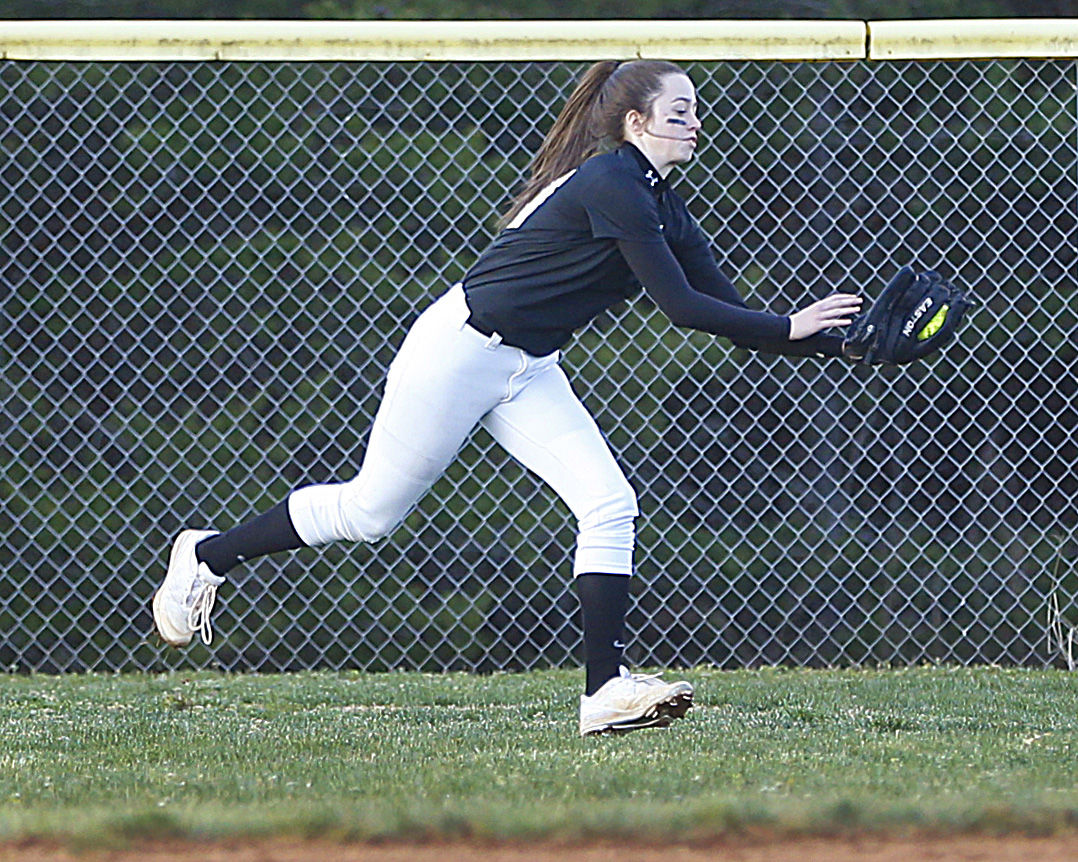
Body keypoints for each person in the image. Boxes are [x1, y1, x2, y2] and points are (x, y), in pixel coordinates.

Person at [153, 59, 862, 737]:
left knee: (609, 503)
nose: (696, 124)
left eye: (697, 112)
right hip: (459, 353)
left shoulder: (658, 201)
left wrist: (852, 346)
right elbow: (679, 306)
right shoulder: (614, 183)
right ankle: (208, 554)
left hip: (528, 366)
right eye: (680, 113)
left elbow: (731, 316)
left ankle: (603, 692)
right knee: (371, 512)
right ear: (638, 124)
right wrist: (790, 326)